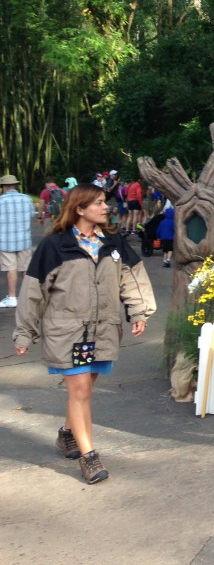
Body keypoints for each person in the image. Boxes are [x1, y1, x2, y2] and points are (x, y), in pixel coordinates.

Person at [12, 184, 156, 484]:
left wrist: (138, 311)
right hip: (66, 331)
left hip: (102, 330)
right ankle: (89, 457)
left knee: (85, 388)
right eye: (99, 203)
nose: (106, 208)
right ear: (80, 209)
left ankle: (67, 434)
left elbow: (132, 277)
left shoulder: (113, 242)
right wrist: (25, 332)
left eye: (105, 202)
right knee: (79, 391)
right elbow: (33, 292)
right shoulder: (55, 246)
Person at [0, 174, 36, 308]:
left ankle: (12, 297)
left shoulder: (0, 201)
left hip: (5, 241)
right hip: (24, 239)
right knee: (25, 268)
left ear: (3, 187)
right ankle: (28, 297)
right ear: (16, 185)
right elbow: (32, 215)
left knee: (11, 268)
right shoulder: (26, 199)